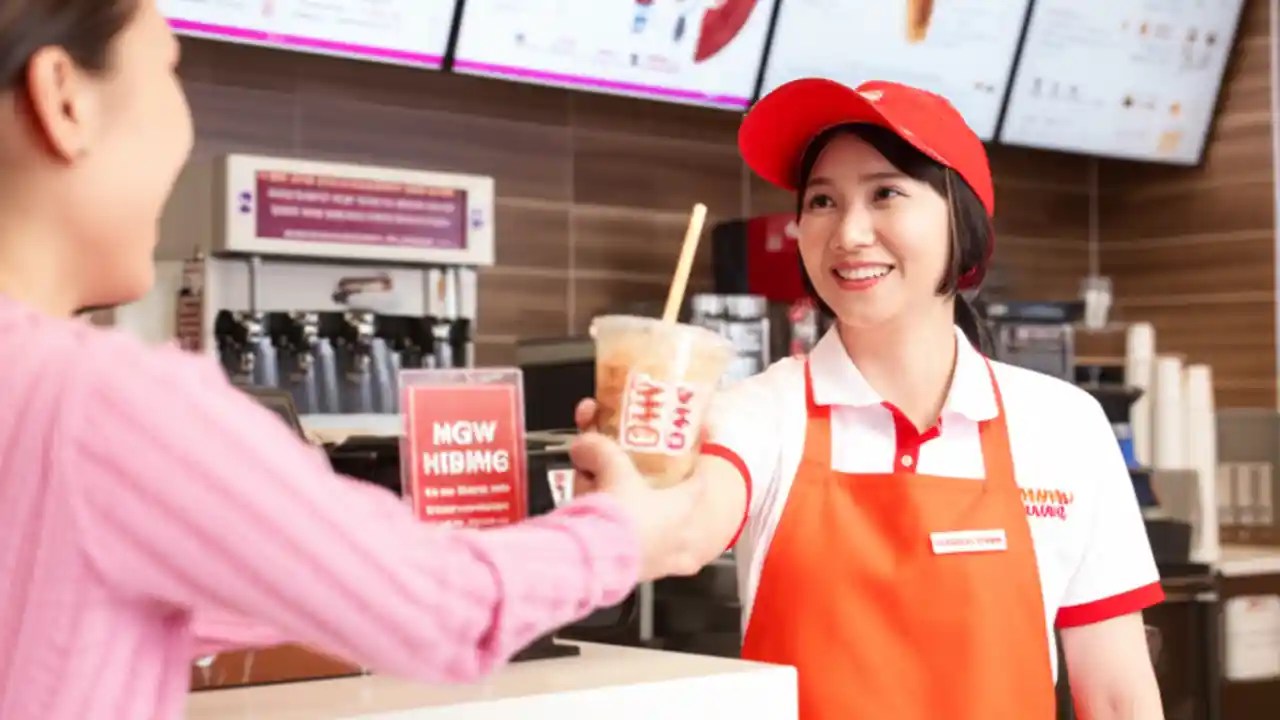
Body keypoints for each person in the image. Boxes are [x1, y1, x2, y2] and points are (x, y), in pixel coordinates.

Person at [0, 2, 703, 719]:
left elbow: (155, 592)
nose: (186, 127)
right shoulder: (99, 402)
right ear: (65, 98)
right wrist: (626, 535)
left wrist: (363, 554)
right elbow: (440, 611)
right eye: (168, 67)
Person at [578, 78, 1166, 720]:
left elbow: (1118, 697)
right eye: (822, 201)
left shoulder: (1061, 424)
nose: (849, 232)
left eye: (885, 193)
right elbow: (685, 529)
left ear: (961, 220)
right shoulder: (763, 412)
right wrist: (625, 509)